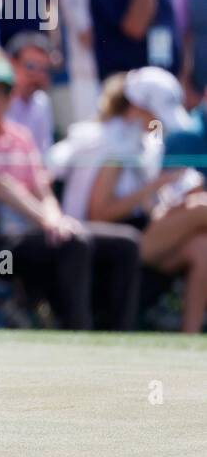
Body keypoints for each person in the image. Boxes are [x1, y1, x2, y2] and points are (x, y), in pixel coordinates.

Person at [0, 59, 140, 331]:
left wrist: (56, 219)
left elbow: (42, 189)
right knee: (74, 243)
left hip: (26, 231)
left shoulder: (20, 136)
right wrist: (49, 222)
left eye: (5, 92)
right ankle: (76, 332)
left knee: (126, 244)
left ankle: (117, 335)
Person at [61, 69, 207, 334]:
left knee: (201, 247)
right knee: (202, 208)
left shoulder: (140, 143)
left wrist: (170, 201)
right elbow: (99, 214)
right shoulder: (111, 143)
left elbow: (151, 207)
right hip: (104, 241)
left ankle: (191, 339)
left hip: (138, 234)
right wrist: (156, 186)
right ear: (138, 107)